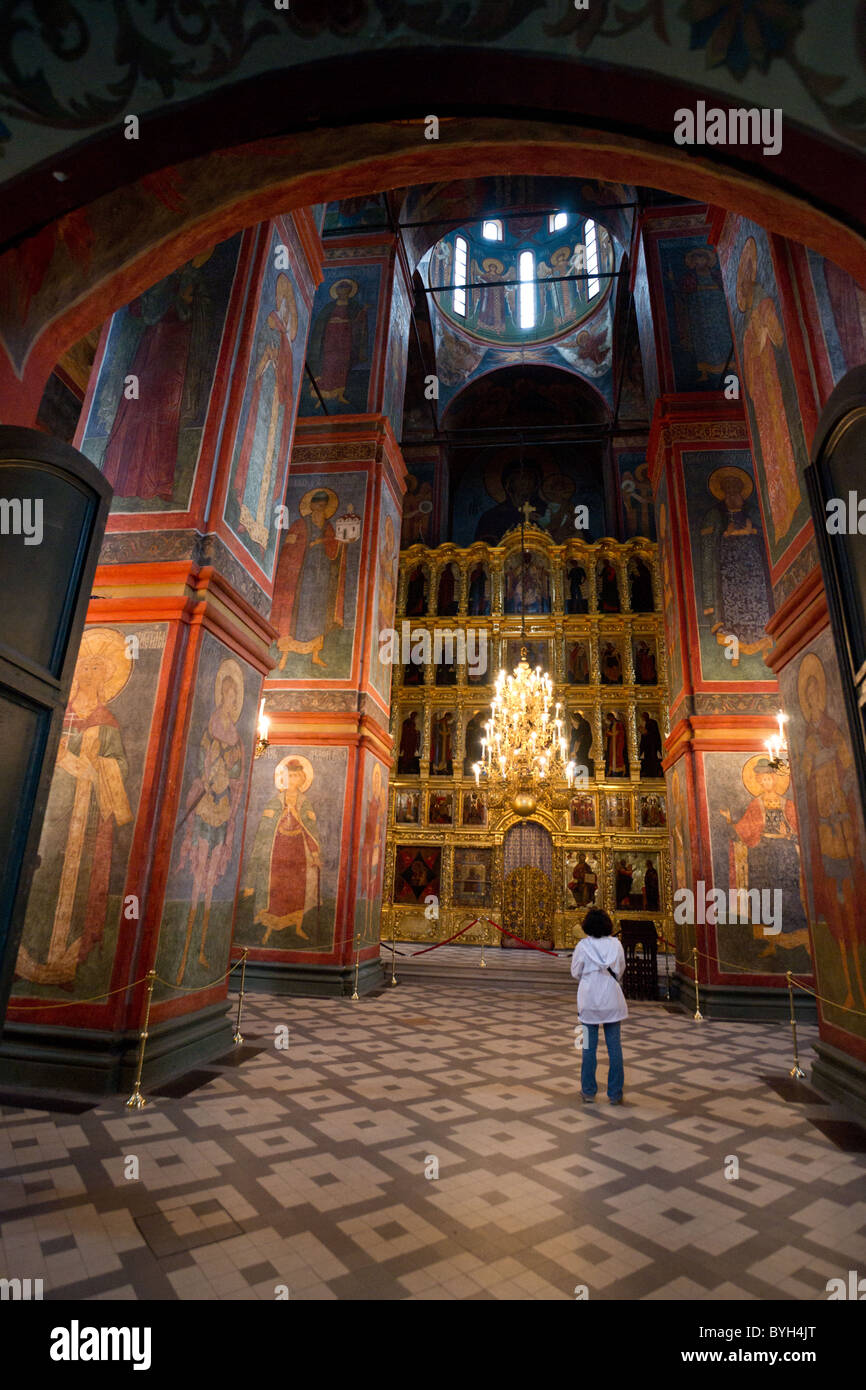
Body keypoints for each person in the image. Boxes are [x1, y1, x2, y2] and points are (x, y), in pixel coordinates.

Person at [571, 908, 628, 1104]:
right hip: (612, 1000)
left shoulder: (582, 946)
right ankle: (615, 1093)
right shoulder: (616, 944)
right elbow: (620, 969)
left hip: (589, 1003)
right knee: (614, 1048)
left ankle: (588, 1091)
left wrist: (589, 977)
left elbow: (575, 972)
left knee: (587, 1047)